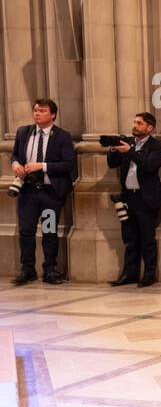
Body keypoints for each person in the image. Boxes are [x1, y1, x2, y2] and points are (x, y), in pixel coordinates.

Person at [10, 98, 76, 285]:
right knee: (26, 231)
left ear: (53, 114)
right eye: (36, 110)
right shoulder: (24, 132)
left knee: (49, 231)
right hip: (28, 192)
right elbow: (15, 154)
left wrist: (42, 166)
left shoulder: (62, 136)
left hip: (49, 193)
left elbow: (68, 164)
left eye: (42, 111)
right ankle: (27, 269)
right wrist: (15, 164)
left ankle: (50, 269)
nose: (37, 113)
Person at [106, 112, 161, 287]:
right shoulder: (129, 143)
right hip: (128, 197)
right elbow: (112, 164)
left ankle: (148, 275)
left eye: (139, 123)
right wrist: (112, 150)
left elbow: (149, 166)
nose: (135, 125)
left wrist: (130, 151)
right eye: (134, 122)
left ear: (149, 128)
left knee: (147, 239)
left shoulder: (156, 146)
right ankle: (129, 274)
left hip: (146, 199)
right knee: (130, 238)